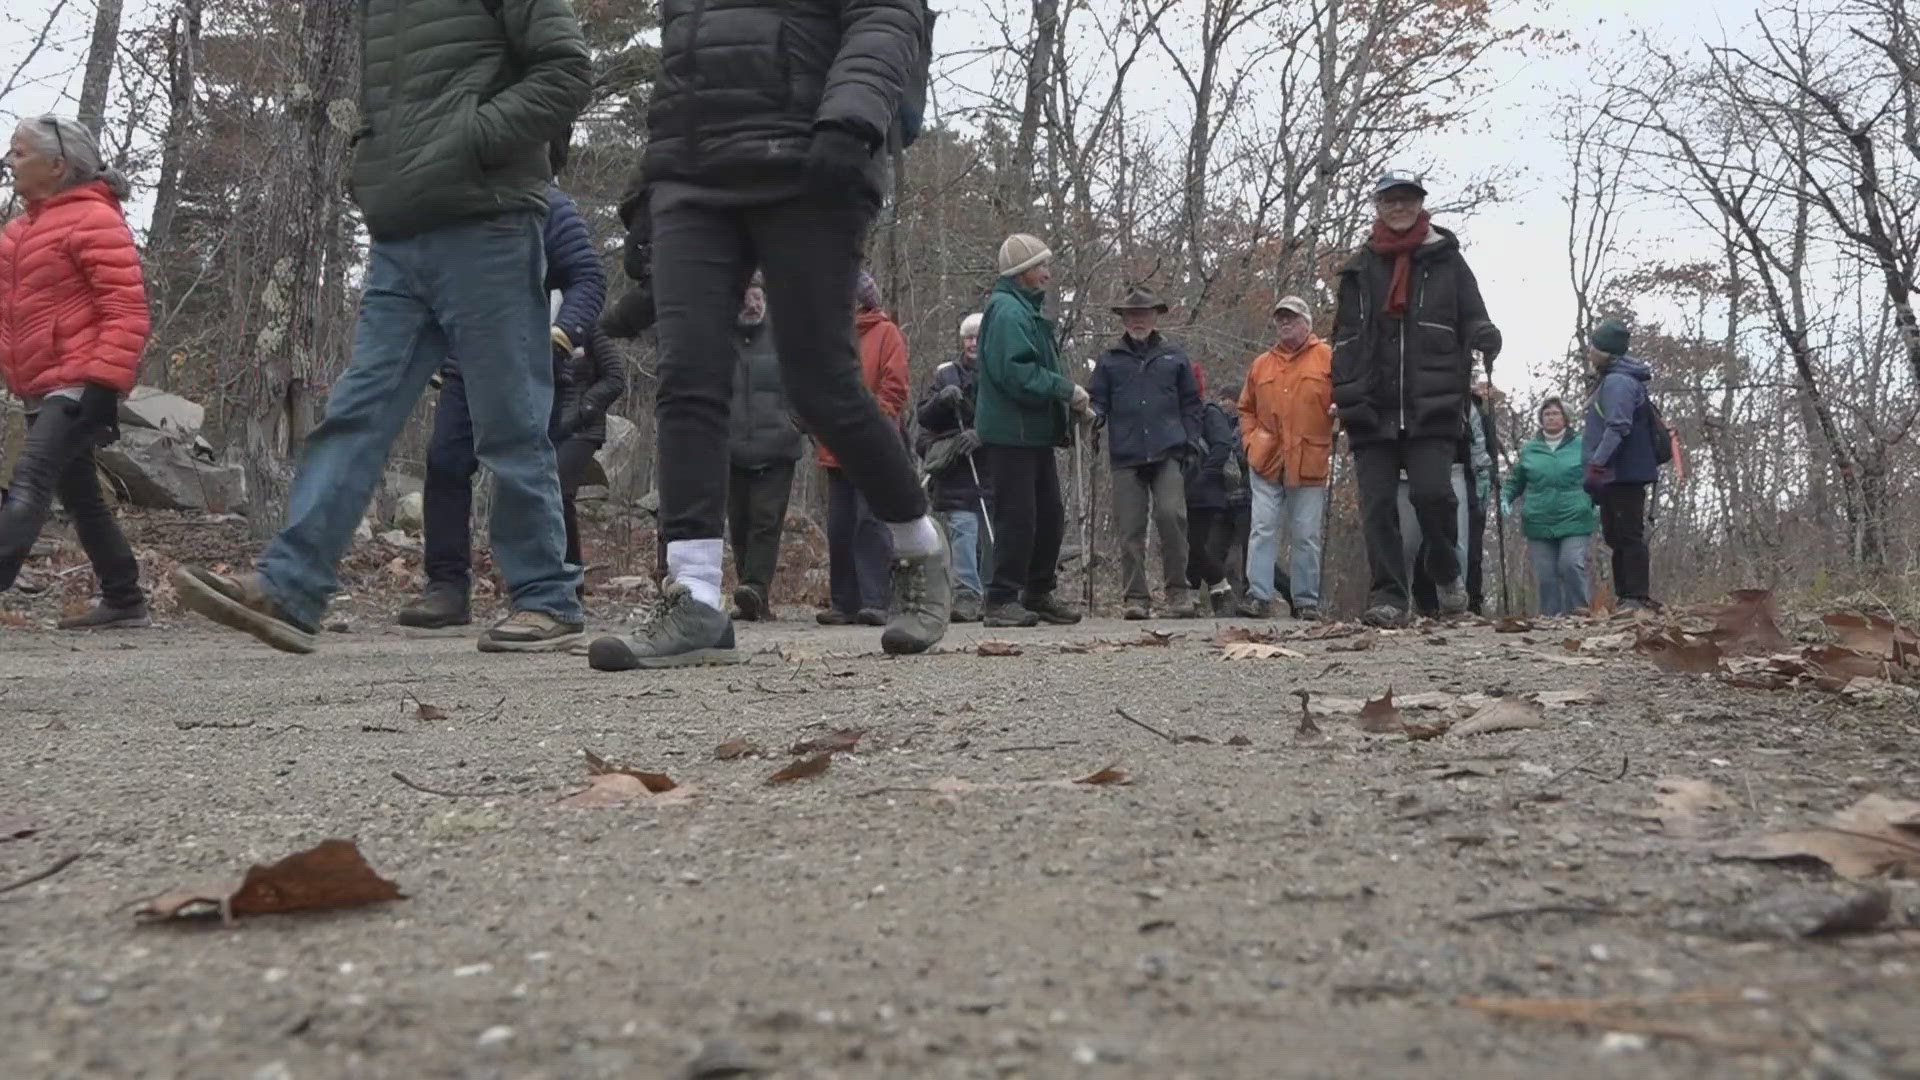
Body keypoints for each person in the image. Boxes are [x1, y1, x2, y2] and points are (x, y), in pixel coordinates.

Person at [173, 0, 592, 654]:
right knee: (355, 413)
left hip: (488, 221)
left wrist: (470, 140)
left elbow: (566, 72)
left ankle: (545, 596)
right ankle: (291, 586)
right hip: (400, 235)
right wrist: (371, 162)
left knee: (509, 422)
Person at [588, 0, 950, 670]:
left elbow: (886, 15)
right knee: (687, 377)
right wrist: (646, 187)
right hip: (693, 176)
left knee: (820, 388)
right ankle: (694, 595)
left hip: (811, 154)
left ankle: (918, 543)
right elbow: (685, 68)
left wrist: (852, 118)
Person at [399, 179, 608, 629]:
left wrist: (562, 334)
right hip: (465, 364)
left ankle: (543, 595)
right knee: (445, 461)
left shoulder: (548, 204)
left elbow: (588, 278)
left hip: (531, 361)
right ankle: (447, 587)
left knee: (523, 474)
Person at [1331, 171, 1502, 627]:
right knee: (1377, 505)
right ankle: (1389, 596)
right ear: (1378, 206)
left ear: (1421, 204)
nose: (1399, 207)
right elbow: (1343, 337)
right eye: (1390, 200)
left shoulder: (1449, 261)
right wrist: (1343, 390)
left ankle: (1445, 572)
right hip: (1371, 404)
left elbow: (1473, 315)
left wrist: (1484, 334)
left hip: (1434, 402)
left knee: (1433, 495)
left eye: (1407, 199)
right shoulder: (1358, 268)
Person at [0, 116, 150, 629]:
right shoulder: (18, 232)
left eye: (20, 153)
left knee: (30, 481)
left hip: (79, 381)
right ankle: (124, 598)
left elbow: (125, 309)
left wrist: (104, 385)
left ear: (57, 165)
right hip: (39, 383)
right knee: (81, 496)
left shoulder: (95, 220)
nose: (10, 162)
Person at [977, 233, 1087, 629]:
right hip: (1011, 435)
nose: (1047, 273)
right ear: (1021, 270)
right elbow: (1017, 374)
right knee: (1018, 517)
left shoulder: (1025, 310)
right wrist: (1065, 390)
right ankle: (1001, 598)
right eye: (1041, 265)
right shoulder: (1007, 312)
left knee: (1049, 516)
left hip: (1032, 434)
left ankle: (1038, 592)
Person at [1089, 286, 1203, 619]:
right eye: (1132, 315)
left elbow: (1191, 404)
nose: (1138, 320)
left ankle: (1178, 592)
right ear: (1123, 319)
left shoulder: (1174, 356)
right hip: (1126, 454)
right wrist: (1093, 418)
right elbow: (1098, 401)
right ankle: (1135, 597)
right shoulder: (1109, 360)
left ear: (1155, 316)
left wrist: (1191, 440)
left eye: (1144, 314)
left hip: (1169, 450)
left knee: (1172, 516)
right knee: (1130, 528)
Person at [816, 271, 909, 626]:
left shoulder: (887, 333)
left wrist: (870, 422)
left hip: (872, 444)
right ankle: (844, 602)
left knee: (870, 522)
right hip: (835, 445)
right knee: (840, 525)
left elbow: (895, 388)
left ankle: (875, 600)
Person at [1238, 296, 1334, 620]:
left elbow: (1345, 398)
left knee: (1305, 534)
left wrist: (1340, 413)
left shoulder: (1327, 358)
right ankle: (1258, 596)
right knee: (1262, 528)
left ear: (1307, 323)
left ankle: (1305, 602)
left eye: (1291, 318)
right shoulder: (1261, 364)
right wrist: (1250, 442)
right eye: (1280, 318)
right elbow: (1245, 408)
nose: (1284, 323)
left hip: (1309, 460)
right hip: (1266, 461)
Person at [725, 276, 801, 622]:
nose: (753, 305)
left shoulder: (785, 337)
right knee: (739, 523)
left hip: (777, 447)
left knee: (765, 522)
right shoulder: (721, 338)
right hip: (731, 448)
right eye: (747, 298)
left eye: (758, 298)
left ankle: (756, 588)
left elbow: (807, 382)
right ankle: (750, 596)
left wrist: (795, 423)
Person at [917, 312, 992, 623]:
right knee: (962, 530)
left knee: (991, 534)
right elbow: (924, 419)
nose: (973, 343)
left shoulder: (1000, 373)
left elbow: (1010, 416)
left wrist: (983, 433)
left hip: (993, 467)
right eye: (968, 337)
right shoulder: (945, 374)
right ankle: (967, 595)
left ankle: (996, 593)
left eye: (978, 337)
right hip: (956, 470)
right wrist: (942, 401)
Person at [1582, 319, 1658, 612]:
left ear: (1606, 351)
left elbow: (1618, 426)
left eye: (1594, 346)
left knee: (1628, 533)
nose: (1590, 351)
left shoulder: (1618, 382)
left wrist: (1597, 463)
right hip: (1616, 472)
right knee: (1616, 534)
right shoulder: (1611, 379)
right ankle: (1626, 595)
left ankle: (1636, 596)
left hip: (1625, 472)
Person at [1503, 397, 1595, 616]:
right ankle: (1551, 618)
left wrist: (1597, 501)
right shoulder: (1529, 449)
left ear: (1566, 418)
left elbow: (1596, 476)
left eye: (1556, 413)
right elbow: (1515, 481)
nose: (1551, 418)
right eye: (1547, 414)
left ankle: (1578, 612)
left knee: (1571, 564)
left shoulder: (1582, 445)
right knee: (1545, 574)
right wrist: (1504, 498)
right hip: (1538, 519)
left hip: (1575, 516)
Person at [1185, 380, 1240, 616]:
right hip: (1186, 488)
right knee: (1188, 543)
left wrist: (1203, 477)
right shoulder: (1179, 415)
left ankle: (1221, 586)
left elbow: (1222, 445)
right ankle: (1193, 597)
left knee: (1194, 545)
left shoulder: (1209, 413)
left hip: (1207, 492)